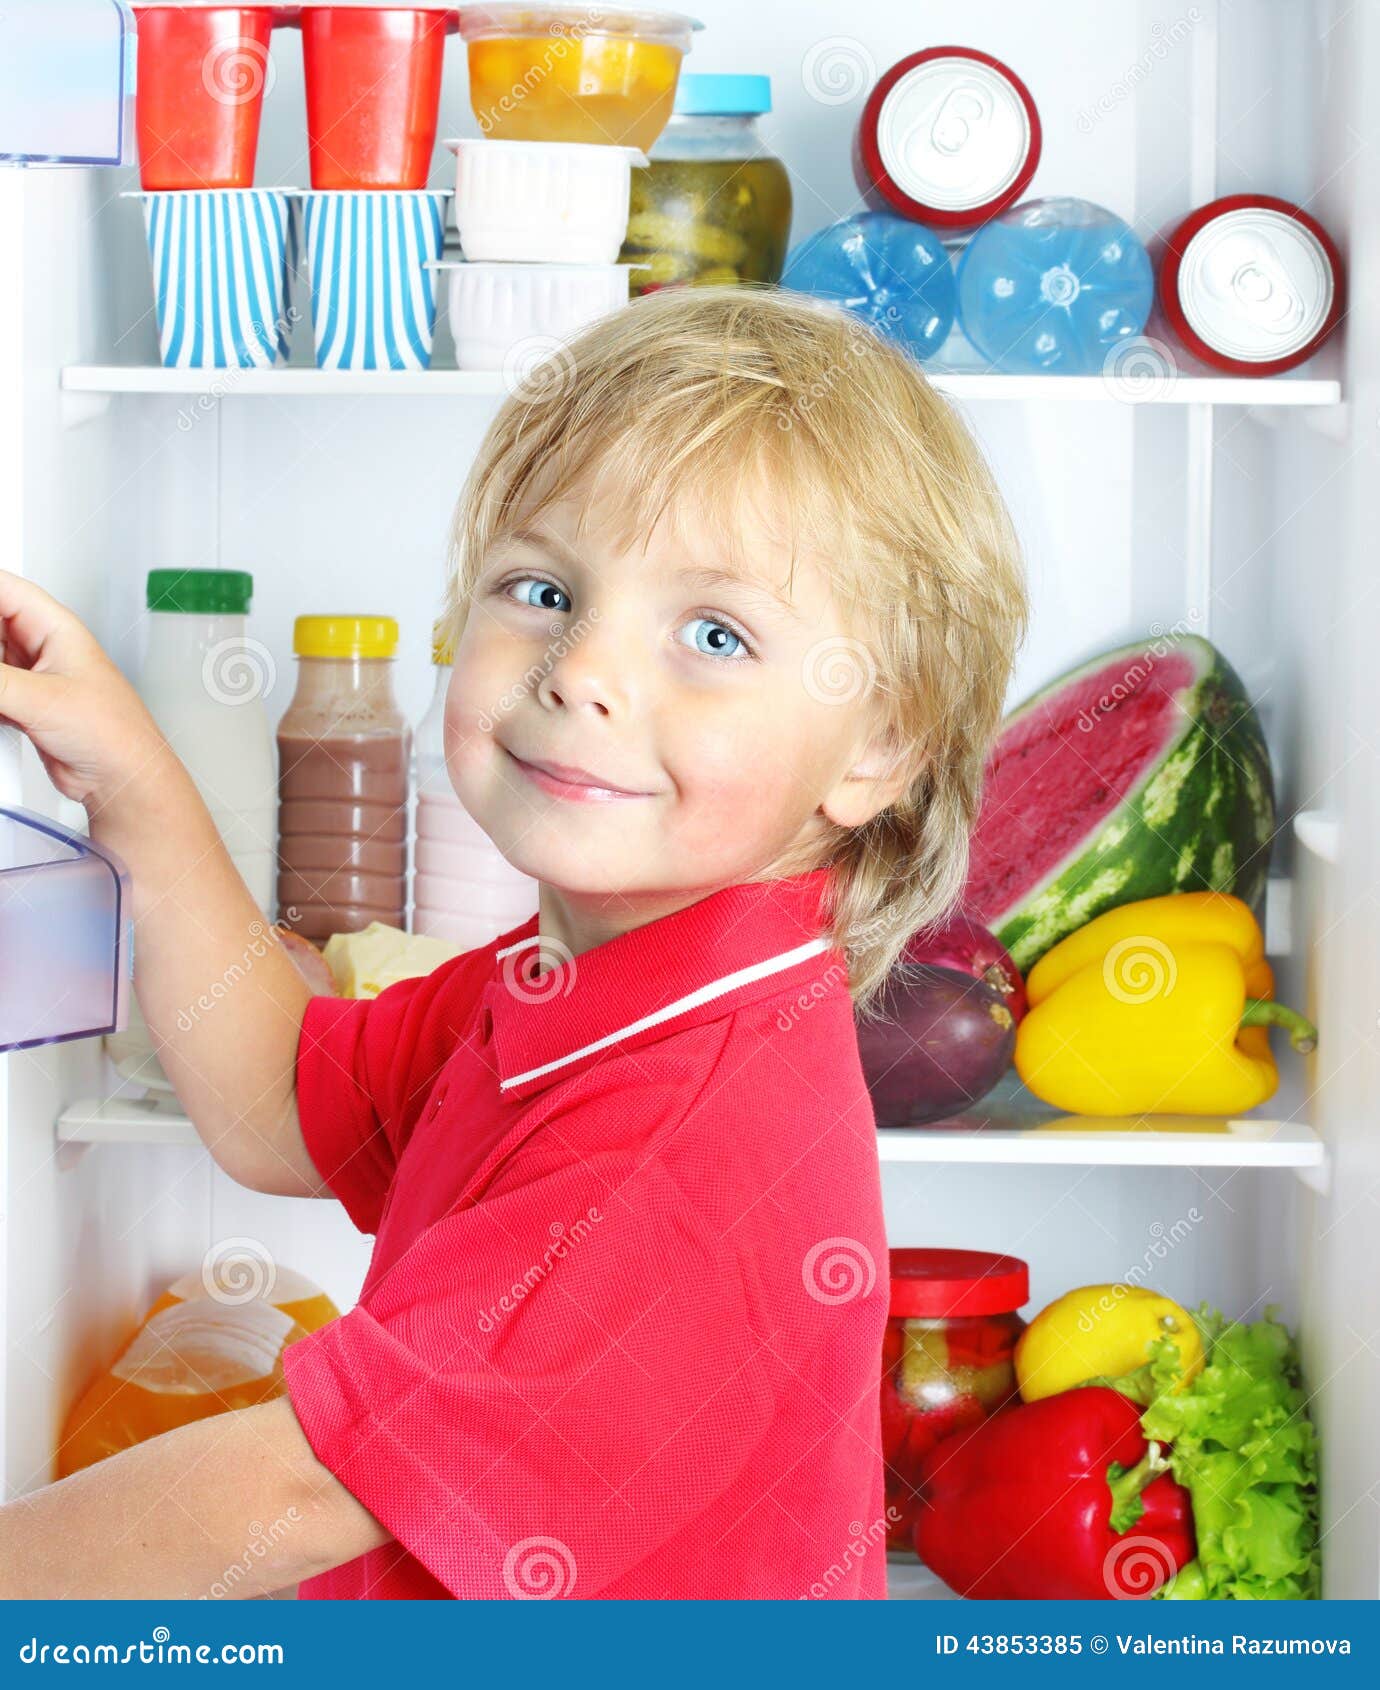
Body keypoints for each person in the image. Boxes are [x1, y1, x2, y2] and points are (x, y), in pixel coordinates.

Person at [0, 285, 1026, 1600]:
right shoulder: (590, 977)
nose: (581, 667)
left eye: (713, 633)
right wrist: (136, 786)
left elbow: (307, 1486)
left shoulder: (684, 1127)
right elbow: (281, 1104)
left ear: (879, 745)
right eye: (542, 589)